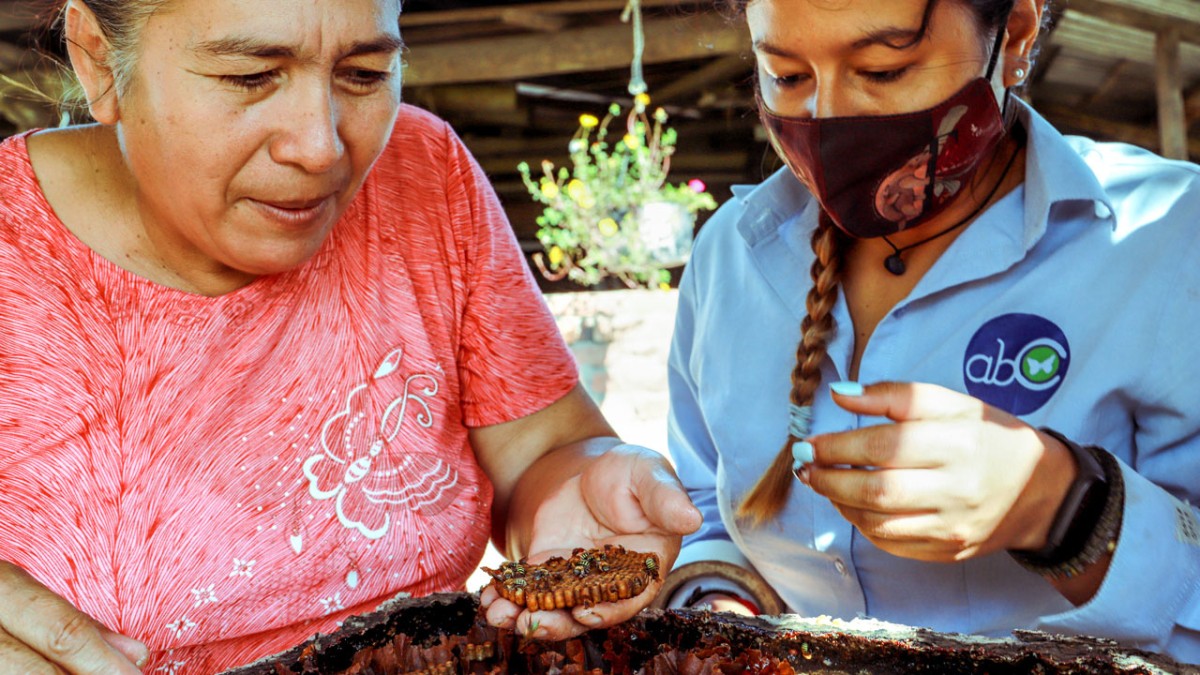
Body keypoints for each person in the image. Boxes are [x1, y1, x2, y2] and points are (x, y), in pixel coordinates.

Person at [0, 0, 702, 672]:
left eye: (363, 74)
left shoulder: (423, 174)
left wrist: (582, 480)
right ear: (96, 60)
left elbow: (541, 447)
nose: (321, 145)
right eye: (250, 76)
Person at [664, 0, 1200, 663]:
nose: (826, 115)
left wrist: (1064, 508)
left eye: (883, 69)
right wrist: (724, 613)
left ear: (1016, 34)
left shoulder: (1172, 240)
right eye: (788, 76)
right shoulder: (729, 256)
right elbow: (702, 506)